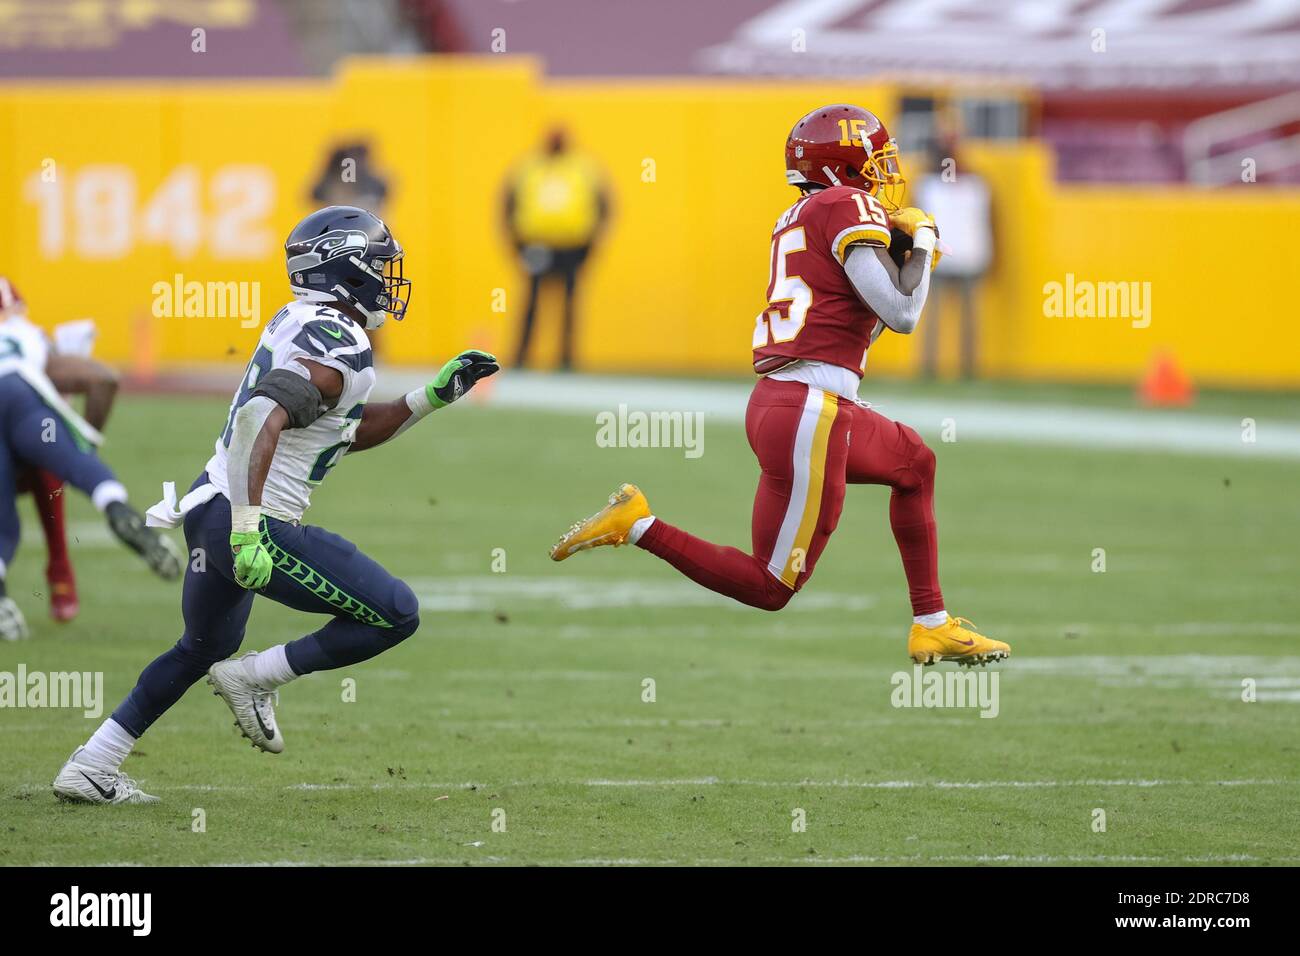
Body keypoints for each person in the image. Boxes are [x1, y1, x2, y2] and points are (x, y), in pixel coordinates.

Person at [52, 205, 499, 804]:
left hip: (213, 507)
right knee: (396, 612)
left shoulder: (303, 321)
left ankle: (92, 764)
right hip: (248, 521)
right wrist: (248, 529)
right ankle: (256, 678)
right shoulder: (341, 340)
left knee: (200, 648)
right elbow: (264, 415)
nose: (388, 277)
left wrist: (428, 399)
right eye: (380, 263)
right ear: (347, 268)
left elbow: (339, 428)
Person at [549, 105, 1009, 668]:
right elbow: (902, 311)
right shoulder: (844, 204)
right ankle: (638, 524)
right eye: (874, 161)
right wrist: (923, 242)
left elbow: (851, 309)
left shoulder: (805, 213)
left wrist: (905, 247)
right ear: (843, 165)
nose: (882, 176)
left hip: (798, 403)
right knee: (771, 586)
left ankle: (932, 623)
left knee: (915, 463)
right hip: (809, 410)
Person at [0, 279, 179, 641]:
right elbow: (102, 379)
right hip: (20, 396)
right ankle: (114, 504)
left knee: (5, 527)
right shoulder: (27, 334)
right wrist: (84, 449)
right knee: (78, 464)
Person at [503, 126, 609, 370]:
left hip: (572, 245)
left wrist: (592, 241)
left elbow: (603, 204)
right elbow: (508, 203)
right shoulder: (529, 167)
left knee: (570, 302)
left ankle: (567, 358)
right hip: (537, 244)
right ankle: (521, 357)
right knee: (532, 300)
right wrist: (515, 244)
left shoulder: (583, 168)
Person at [913, 136, 994, 379]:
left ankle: (967, 368)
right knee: (933, 317)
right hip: (942, 259)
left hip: (966, 257)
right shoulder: (929, 184)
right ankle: (930, 367)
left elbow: (987, 221)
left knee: (967, 318)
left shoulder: (975, 185)